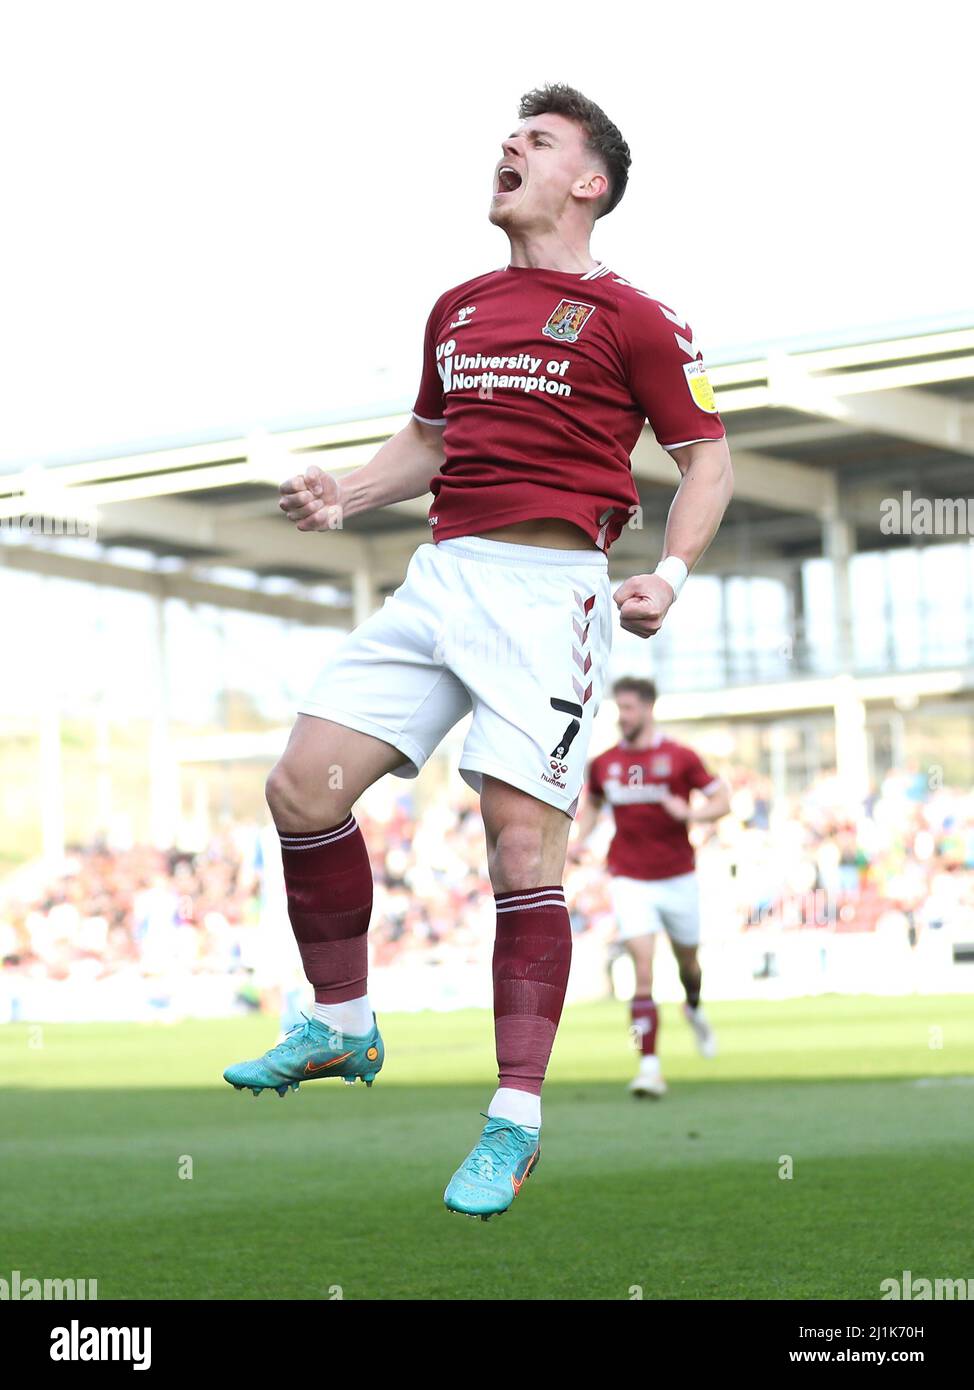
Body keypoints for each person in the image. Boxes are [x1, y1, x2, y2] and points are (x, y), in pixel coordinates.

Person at [223, 83, 733, 1218]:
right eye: (510, 134)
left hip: (547, 596)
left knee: (518, 852)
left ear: (586, 182)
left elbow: (706, 455)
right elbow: (431, 437)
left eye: (537, 140)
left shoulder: (633, 318)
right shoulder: (455, 306)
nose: (508, 145)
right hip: (440, 576)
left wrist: (672, 575)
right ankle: (342, 1024)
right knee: (300, 786)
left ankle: (513, 1121)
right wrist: (347, 491)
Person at [572, 678, 730, 1097]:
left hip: (678, 876)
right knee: (642, 969)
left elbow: (723, 800)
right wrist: (578, 842)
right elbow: (593, 808)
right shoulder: (604, 763)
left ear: (648, 709)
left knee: (688, 965)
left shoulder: (679, 758)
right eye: (618, 708)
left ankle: (693, 1006)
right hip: (629, 877)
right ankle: (649, 1067)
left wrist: (692, 815)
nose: (622, 716)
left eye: (629, 708)